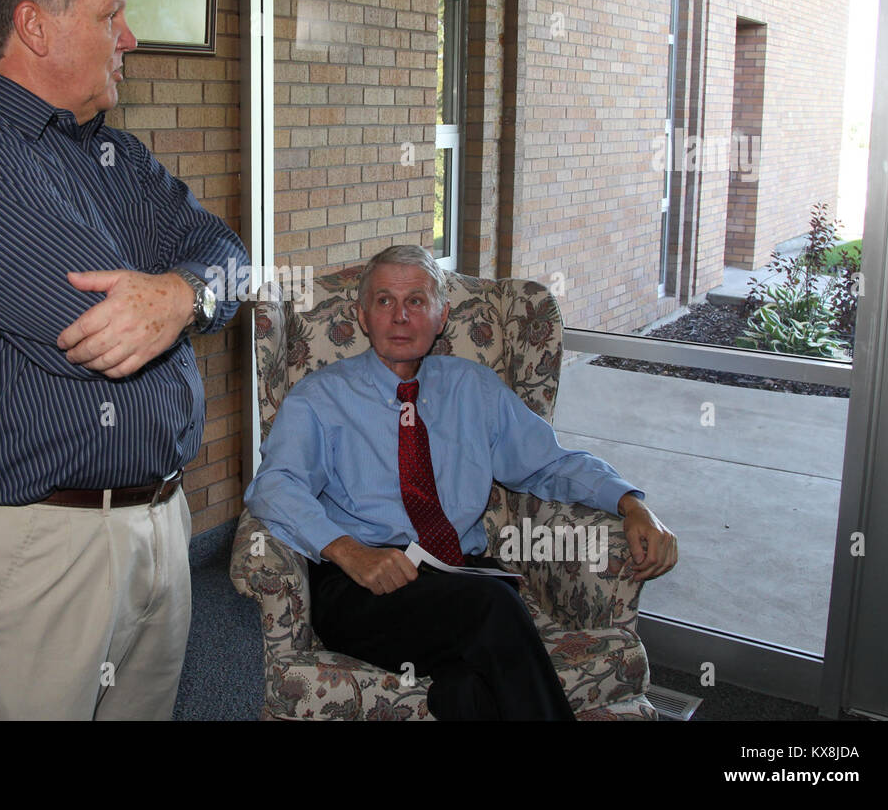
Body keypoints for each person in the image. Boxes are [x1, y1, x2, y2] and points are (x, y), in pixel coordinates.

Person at [0, 0, 248, 720]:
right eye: (112, 14)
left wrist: (182, 293)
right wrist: (174, 295)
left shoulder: (108, 152)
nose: (133, 37)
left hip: (155, 521)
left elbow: (228, 251)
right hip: (38, 546)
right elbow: (103, 328)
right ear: (34, 27)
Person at [244, 244, 677, 719]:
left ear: (442, 314)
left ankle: (457, 701)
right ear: (362, 316)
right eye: (384, 301)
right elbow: (274, 485)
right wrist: (349, 550)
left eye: (416, 302)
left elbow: (549, 462)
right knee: (493, 607)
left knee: (468, 689)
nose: (401, 317)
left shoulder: (474, 388)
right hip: (362, 588)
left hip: (462, 575)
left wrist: (631, 504)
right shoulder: (320, 399)